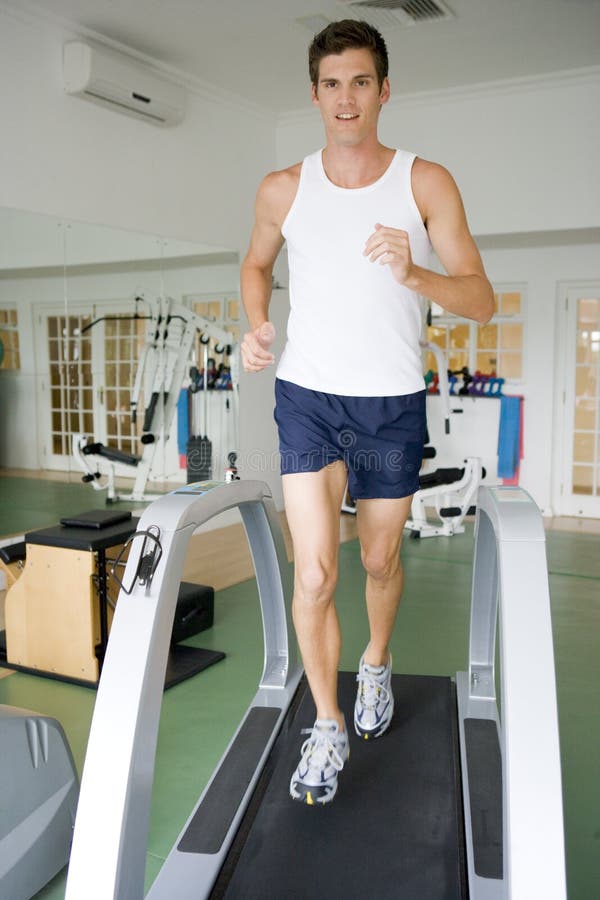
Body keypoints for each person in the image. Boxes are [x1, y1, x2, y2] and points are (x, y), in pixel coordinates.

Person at [240, 19, 494, 806]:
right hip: (307, 398)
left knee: (379, 562)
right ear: (313, 93)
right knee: (314, 571)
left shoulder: (425, 182)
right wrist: (255, 322)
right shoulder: (284, 186)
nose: (344, 98)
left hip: (390, 402)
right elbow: (256, 263)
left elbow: (480, 299)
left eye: (359, 82)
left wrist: (413, 271)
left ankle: (375, 663)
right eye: (330, 84)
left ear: (384, 90)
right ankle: (327, 721)